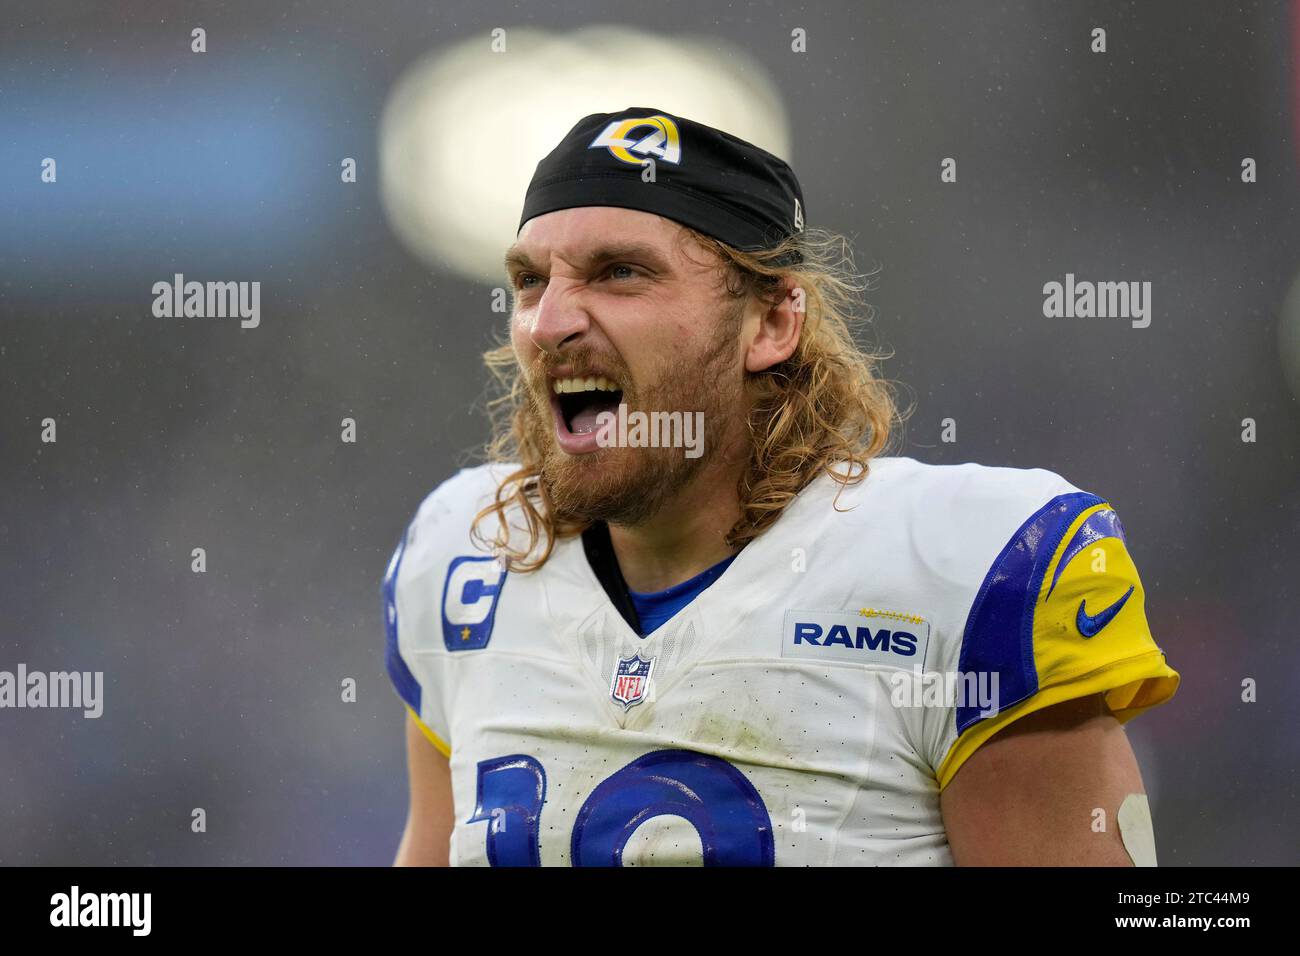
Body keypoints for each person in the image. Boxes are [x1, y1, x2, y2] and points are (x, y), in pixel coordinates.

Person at [383, 106, 1179, 866]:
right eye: (529, 281)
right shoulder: (463, 551)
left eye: (620, 273)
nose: (547, 322)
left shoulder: (967, 567)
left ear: (771, 324)